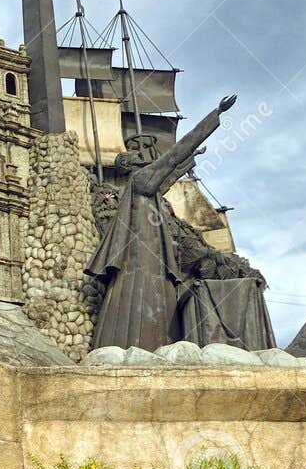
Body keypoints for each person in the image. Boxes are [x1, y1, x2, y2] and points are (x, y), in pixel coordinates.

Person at [85, 95, 237, 351]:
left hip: (148, 253)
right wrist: (214, 116)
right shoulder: (142, 180)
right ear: (133, 164)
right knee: (151, 292)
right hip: (146, 255)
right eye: (137, 154)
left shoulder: (144, 187)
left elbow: (170, 173)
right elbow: (173, 157)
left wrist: (192, 158)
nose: (143, 155)